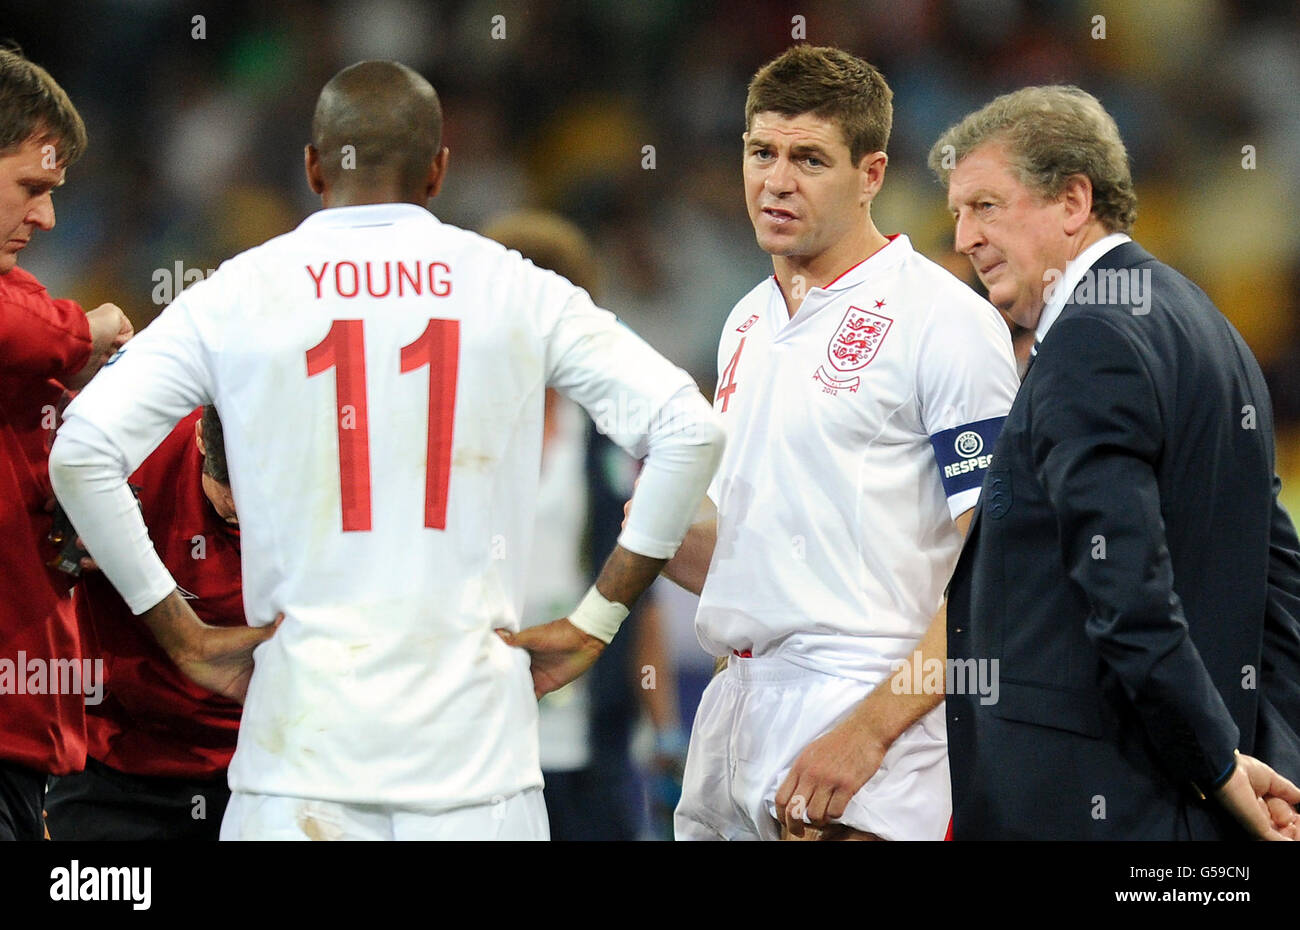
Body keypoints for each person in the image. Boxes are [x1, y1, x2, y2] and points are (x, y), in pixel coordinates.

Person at [48, 60, 723, 841]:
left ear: (311, 166)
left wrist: (182, 636)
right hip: (480, 775)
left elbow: (82, 451)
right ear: (439, 171)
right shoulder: (513, 287)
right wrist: (594, 623)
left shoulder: (240, 292)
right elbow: (690, 428)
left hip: (295, 769)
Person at [657, 45, 1019, 841]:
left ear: (871, 172)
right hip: (736, 707)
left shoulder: (945, 323)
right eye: (762, 153)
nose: (776, 181)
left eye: (809, 159)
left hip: (869, 713)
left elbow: (1005, 565)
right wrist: (648, 533)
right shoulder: (745, 321)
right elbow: (776, 556)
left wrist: (867, 733)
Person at [931, 84, 1300, 840]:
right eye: (957, 214)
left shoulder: (1090, 342)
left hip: (1095, 806)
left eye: (986, 206)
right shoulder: (1207, 326)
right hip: (1182, 812)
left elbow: (1126, 586)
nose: (965, 237)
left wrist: (1219, 766)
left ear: (1073, 200)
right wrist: (1275, 764)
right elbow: (1280, 579)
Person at [483, 210, 689, 840]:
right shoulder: (455, 429)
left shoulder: (607, 432)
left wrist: (664, 725)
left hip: (591, 723)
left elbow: (637, 581)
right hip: (480, 726)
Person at [0, 46, 132, 841]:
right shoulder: (37, 323)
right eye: (31, 188)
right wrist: (95, 328)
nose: (47, 218)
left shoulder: (26, 306)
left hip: (24, 741)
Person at [45, 406, 243, 840]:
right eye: (228, 507)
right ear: (200, 438)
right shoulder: (110, 460)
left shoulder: (350, 488)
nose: (242, 518)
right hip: (116, 768)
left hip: (272, 768)